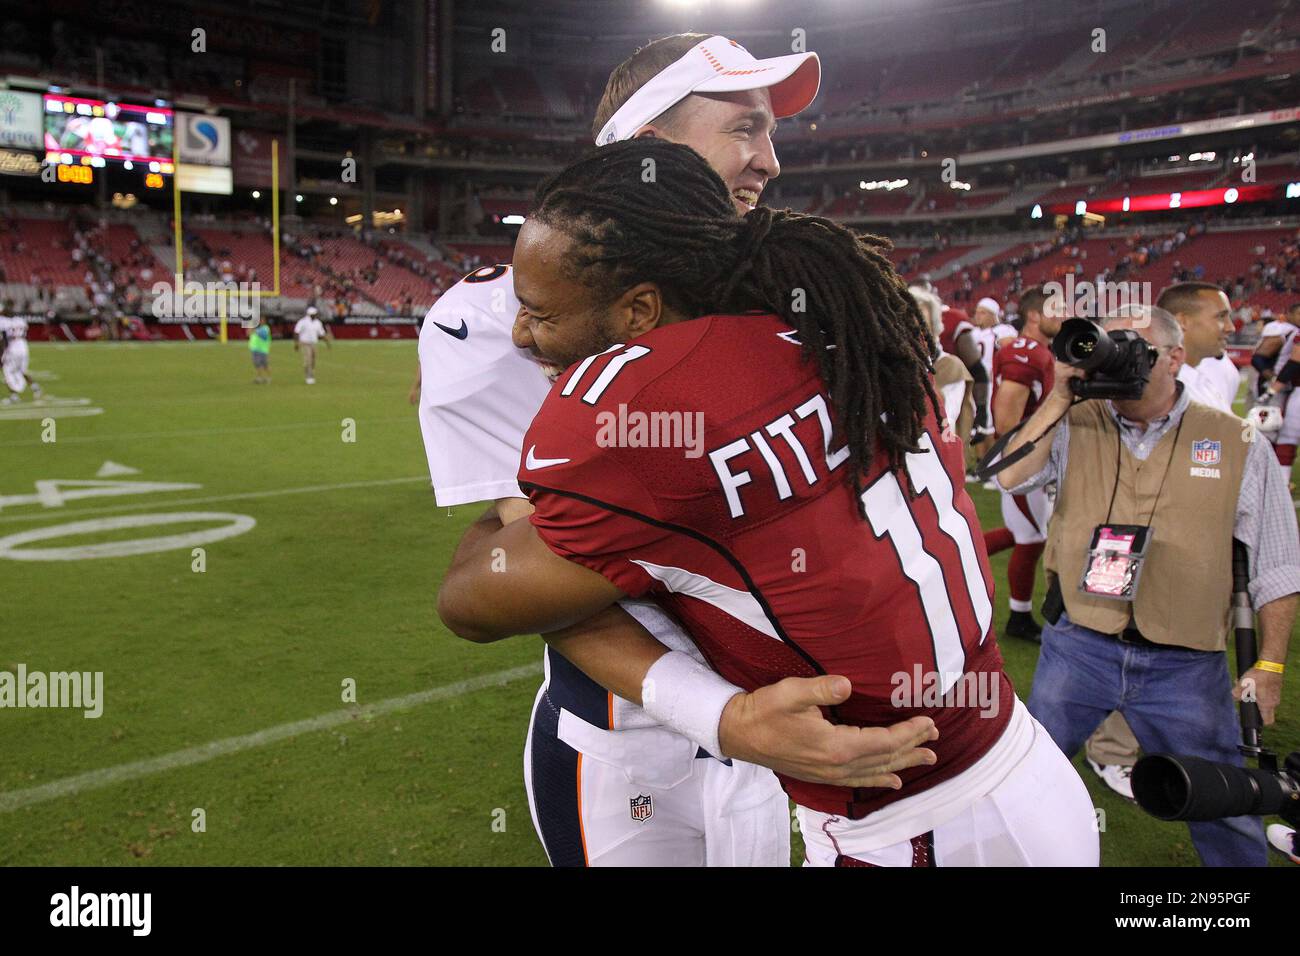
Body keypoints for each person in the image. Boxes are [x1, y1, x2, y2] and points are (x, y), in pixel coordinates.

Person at [438, 139, 1099, 867]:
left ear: (639, 310)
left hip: (910, 830)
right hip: (1022, 767)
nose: (521, 335)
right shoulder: (850, 322)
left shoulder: (650, 411)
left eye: (538, 313)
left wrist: (502, 493)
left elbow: (470, 603)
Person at [418, 34, 913, 868]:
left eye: (771, 134)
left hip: (789, 733)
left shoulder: (797, 292)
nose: (770, 161)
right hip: (631, 745)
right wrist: (716, 711)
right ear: (650, 148)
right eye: (745, 129)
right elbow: (546, 577)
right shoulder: (508, 315)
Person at [997, 305, 1299, 867]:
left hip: (1184, 661)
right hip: (1079, 644)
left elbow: (1279, 564)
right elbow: (1007, 474)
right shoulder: (1075, 423)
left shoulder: (1236, 440)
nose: (1117, 359)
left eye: (1132, 348)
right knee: (1028, 778)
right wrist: (1061, 395)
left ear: (1175, 358)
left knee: (1223, 804)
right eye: (1108, 347)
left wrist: (1271, 666)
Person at [982, 286, 1061, 642]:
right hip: (1022, 459)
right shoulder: (1026, 351)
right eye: (1057, 310)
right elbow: (1007, 415)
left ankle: (954, 555)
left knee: (1024, 533)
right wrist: (1017, 455)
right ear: (1034, 315)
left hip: (1030, 457)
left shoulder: (1036, 350)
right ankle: (1019, 616)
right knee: (1031, 539)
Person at [911, 286, 973, 445]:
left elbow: (945, 422)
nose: (916, 332)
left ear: (934, 328)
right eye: (909, 324)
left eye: (922, 325)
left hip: (932, 453)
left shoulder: (950, 366)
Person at [0, 309, 40, 403]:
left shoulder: (4, 321)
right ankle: (35, 388)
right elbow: (25, 330)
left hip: (12, 347)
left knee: (7, 371)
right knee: (21, 370)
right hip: (23, 346)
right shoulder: (20, 320)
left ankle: (14, 396)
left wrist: (2, 353)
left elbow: (4, 339)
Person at [293, 306, 331, 384]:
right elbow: (296, 332)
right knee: (308, 360)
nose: (315, 315)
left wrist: (327, 343)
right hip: (305, 343)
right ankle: (308, 376)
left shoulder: (318, 323)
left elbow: (321, 334)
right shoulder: (303, 322)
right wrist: (296, 343)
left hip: (314, 343)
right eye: (314, 314)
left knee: (313, 360)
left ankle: (311, 373)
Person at [248, 318, 271, 384]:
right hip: (255, 349)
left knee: (265, 364)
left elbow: (264, 336)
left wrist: (255, 331)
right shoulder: (256, 329)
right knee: (257, 364)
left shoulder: (266, 328)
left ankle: (268, 377)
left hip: (262, 349)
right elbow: (249, 334)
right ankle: (259, 378)